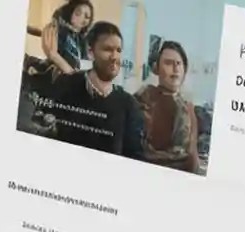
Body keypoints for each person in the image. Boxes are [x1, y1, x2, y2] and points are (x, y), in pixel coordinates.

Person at [39, 22, 144, 159]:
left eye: (118, 50)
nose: (115, 57)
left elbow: (134, 158)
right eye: (107, 49)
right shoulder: (66, 86)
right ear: (90, 52)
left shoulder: (129, 106)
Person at [134, 41, 201, 173]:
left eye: (179, 63)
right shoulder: (142, 100)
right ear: (156, 69)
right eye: (168, 63)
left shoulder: (188, 107)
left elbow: (193, 155)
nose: (175, 69)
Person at [40, 0, 95, 75]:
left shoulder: (83, 39)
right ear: (70, 12)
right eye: (78, 13)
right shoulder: (62, 32)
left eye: (87, 17)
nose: (82, 18)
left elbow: (86, 61)